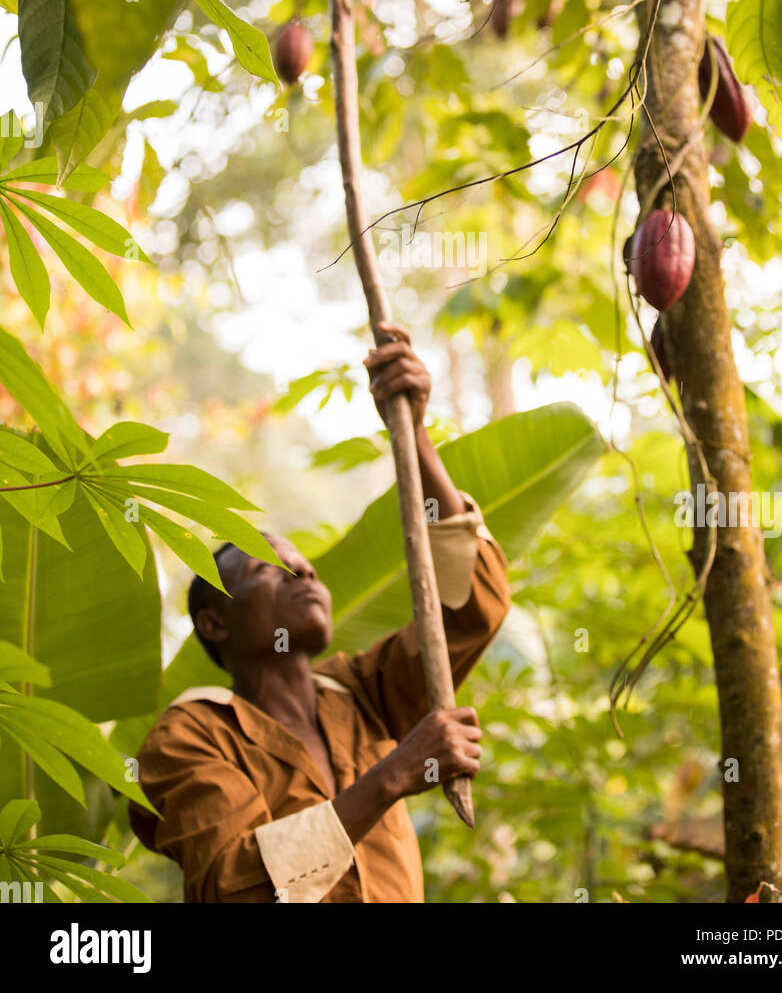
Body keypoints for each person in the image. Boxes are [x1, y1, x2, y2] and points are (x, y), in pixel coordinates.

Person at [129, 324, 510, 903]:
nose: (303, 573)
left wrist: (414, 434)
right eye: (267, 570)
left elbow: (467, 609)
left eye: (304, 565)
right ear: (214, 622)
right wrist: (393, 775)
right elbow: (232, 887)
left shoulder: (363, 695)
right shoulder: (192, 736)